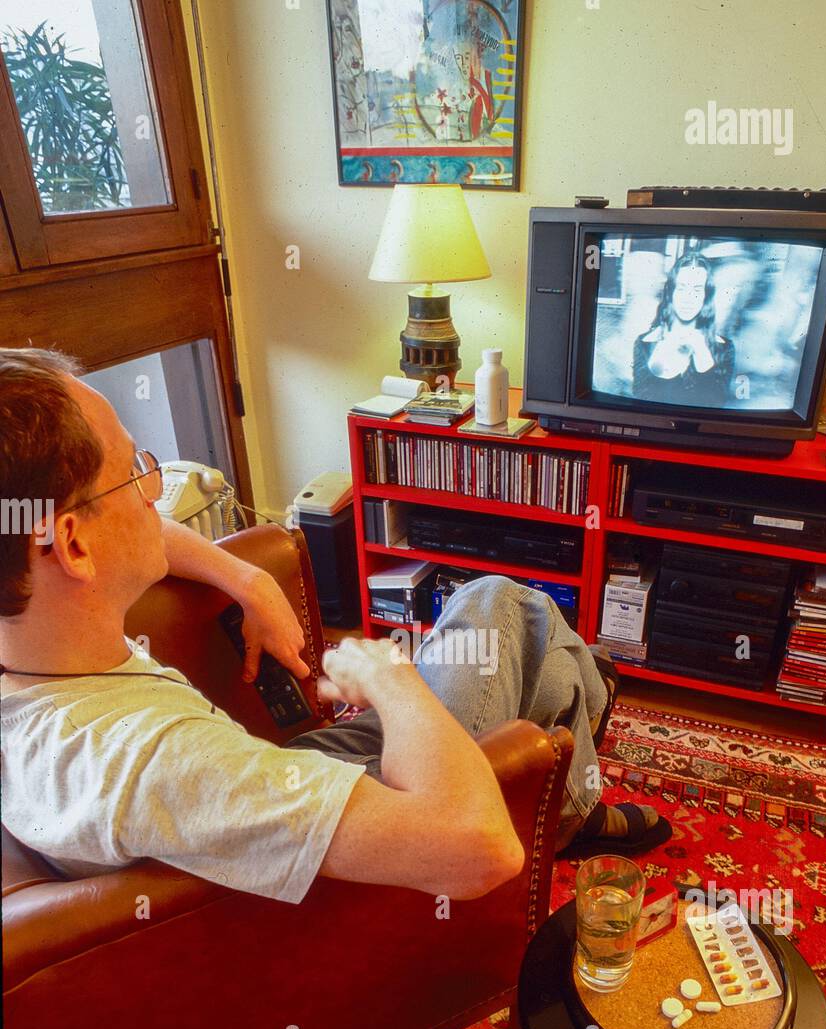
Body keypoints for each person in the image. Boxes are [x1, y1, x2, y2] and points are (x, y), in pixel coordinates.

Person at [0, 349, 670, 906]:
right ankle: (577, 770)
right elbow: (480, 848)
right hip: (357, 841)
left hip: (284, 782)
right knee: (505, 608)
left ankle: (575, 725)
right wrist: (389, 679)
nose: (154, 492)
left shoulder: (27, 635)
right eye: (135, 474)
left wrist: (249, 579)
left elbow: (138, 536)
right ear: (73, 545)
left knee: (528, 639)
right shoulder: (153, 760)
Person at [633, 251, 735, 408]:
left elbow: (716, 405)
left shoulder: (724, 348)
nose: (688, 298)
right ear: (671, 293)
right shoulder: (646, 343)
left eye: (697, 290)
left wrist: (702, 352)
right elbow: (641, 404)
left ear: (705, 296)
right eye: (681, 288)